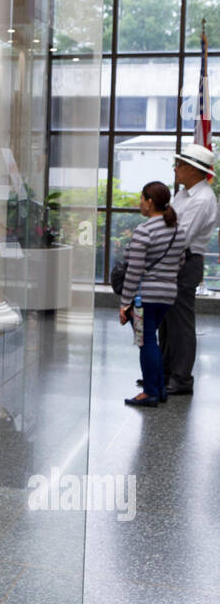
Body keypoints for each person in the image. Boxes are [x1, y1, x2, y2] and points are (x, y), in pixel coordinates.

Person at [119, 182, 187, 408]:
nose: (139, 203)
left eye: (141, 198)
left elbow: (134, 270)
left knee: (145, 341)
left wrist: (124, 303)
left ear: (149, 201)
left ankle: (150, 392)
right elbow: (180, 262)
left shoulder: (144, 230)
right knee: (151, 340)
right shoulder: (178, 230)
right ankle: (159, 389)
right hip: (167, 296)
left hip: (143, 298)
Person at [159, 143, 218, 395]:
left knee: (181, 323)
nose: (176, 168)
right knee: (166, 320)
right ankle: (164, 373)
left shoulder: (203, 199)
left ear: (195, 170)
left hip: (186, 261)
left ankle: (181, 379)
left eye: (180, 165)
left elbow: (182, 237)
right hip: (172, 259)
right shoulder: (183, 194)